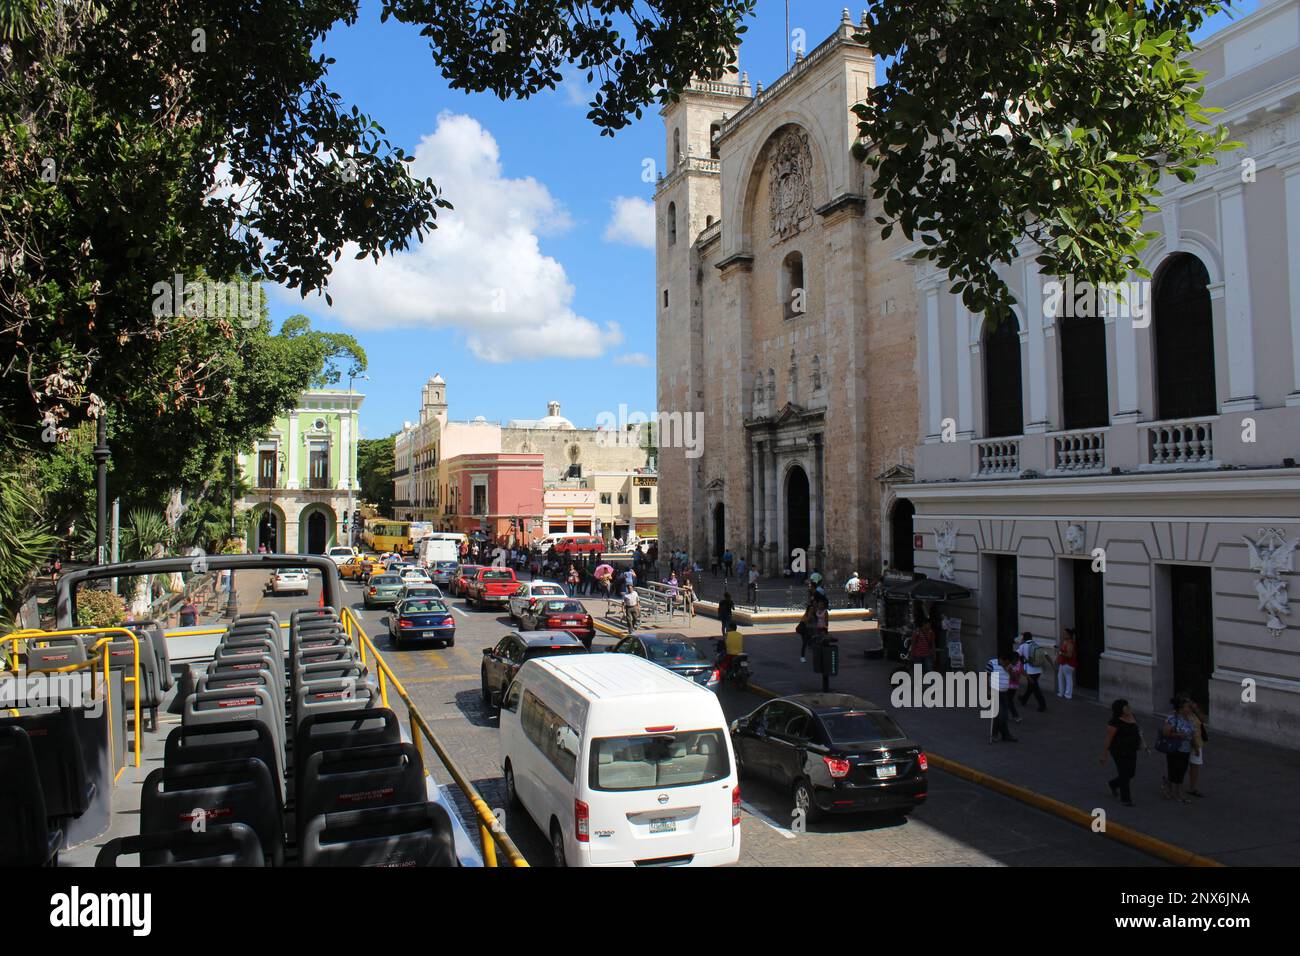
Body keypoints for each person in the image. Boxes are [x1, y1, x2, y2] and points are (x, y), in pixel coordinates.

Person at [1099, 699, 1147, 806]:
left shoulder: (1132, 716)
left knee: (1131, 773)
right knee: (1124, 774)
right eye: (1126, 707)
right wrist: (1104, 755)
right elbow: (1108, 739)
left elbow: (1138, 731)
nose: (1128, 708)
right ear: (1120, 709)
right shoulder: (1114, 722)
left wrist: (1143, 744)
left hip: (1132, 749)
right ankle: (1126, 799)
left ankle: (1113, 784)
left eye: (1128, 706)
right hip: (1119, 751)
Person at [1159, 694, 1197, 802]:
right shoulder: (1172, 718)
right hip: (1175, 749)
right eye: (1187, 707)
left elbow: (1192, 735)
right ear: (1181, 709)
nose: (1190, 709)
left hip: (1186, 750)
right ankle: (1173, 789)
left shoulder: (1190, 719)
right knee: (1174, 770)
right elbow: (1166, 733)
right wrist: (1179, 735)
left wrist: (1195, 747)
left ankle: (1175, 790)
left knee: (1181, 771)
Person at [988, 652, 1018, 742]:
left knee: (1003, 715)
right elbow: (986, 676)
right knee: (1000, 715)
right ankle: (996, 734)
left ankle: (1005, 735)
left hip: (1004, 692)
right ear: (1001, 659)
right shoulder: (992, 663)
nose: (1007, 664)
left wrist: (1010, 671)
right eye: (1006, 662)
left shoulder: (1009, 666)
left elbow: (1014, 678)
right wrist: (988, 690)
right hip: (994, 692)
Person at [1017, 631, 1049, 712]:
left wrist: (1021, 644)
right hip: (1038, 669)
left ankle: (1042, 705)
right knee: (1031, 686)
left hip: (1030, 671)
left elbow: (1016, 655)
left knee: (1035, 688)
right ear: (1031, 638)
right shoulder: (1036, 645)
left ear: (1023, 638)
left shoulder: (1023, 646)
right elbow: (1046, 655)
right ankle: (1024, 699)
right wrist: (1052, 664)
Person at [1187, 697, 1208, 798]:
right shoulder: (1182, 713)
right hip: (1186, 743)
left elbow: (1203, 719)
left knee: (1195, 766)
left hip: (1197, 742)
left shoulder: (1195, 714)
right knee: (1180, 766)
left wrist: (1196, 710)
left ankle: (1193, 788)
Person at [1056, 627, 1078, 699]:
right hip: (1063, 663)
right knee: (1060, 677)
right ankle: (1061, 692)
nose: (1063, 635)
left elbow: (1069, 655)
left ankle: (1068, 694)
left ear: (1069, 635)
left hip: (1068, 664)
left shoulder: (1070, 643)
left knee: (1068, 678)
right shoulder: (1065, 642)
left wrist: (1060, 653)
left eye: (1065, 634)